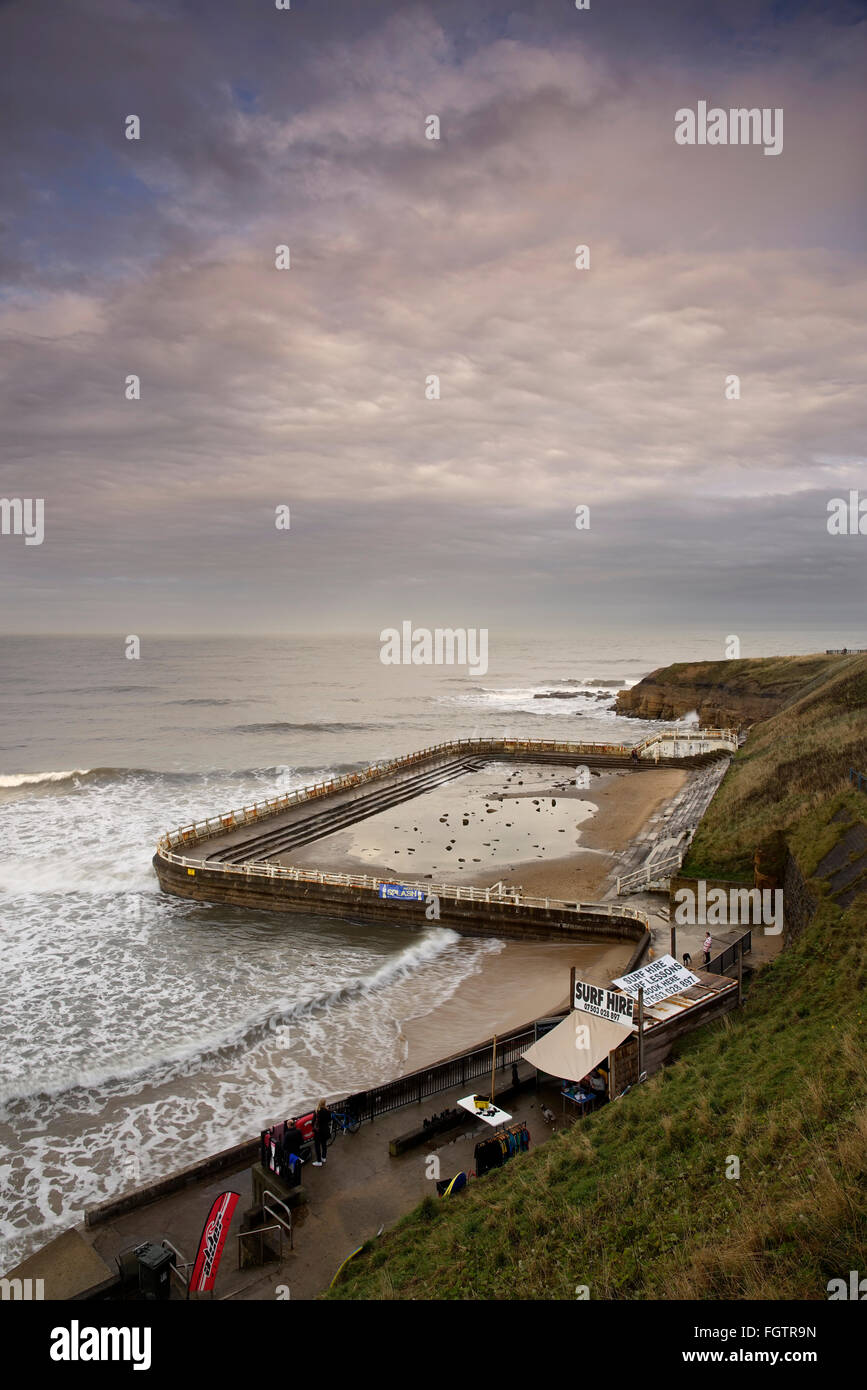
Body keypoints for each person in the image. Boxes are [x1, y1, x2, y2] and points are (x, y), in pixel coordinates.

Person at [312, 1098, 331, 1166]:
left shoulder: (317, 1111)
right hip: (325, 1130)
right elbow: (329, 1119)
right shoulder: (327, 1110)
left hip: (318, 1132)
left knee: (317, 1146)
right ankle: (323, 1157)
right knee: (324, 1144)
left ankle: (319, 1161)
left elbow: (313, 1121)